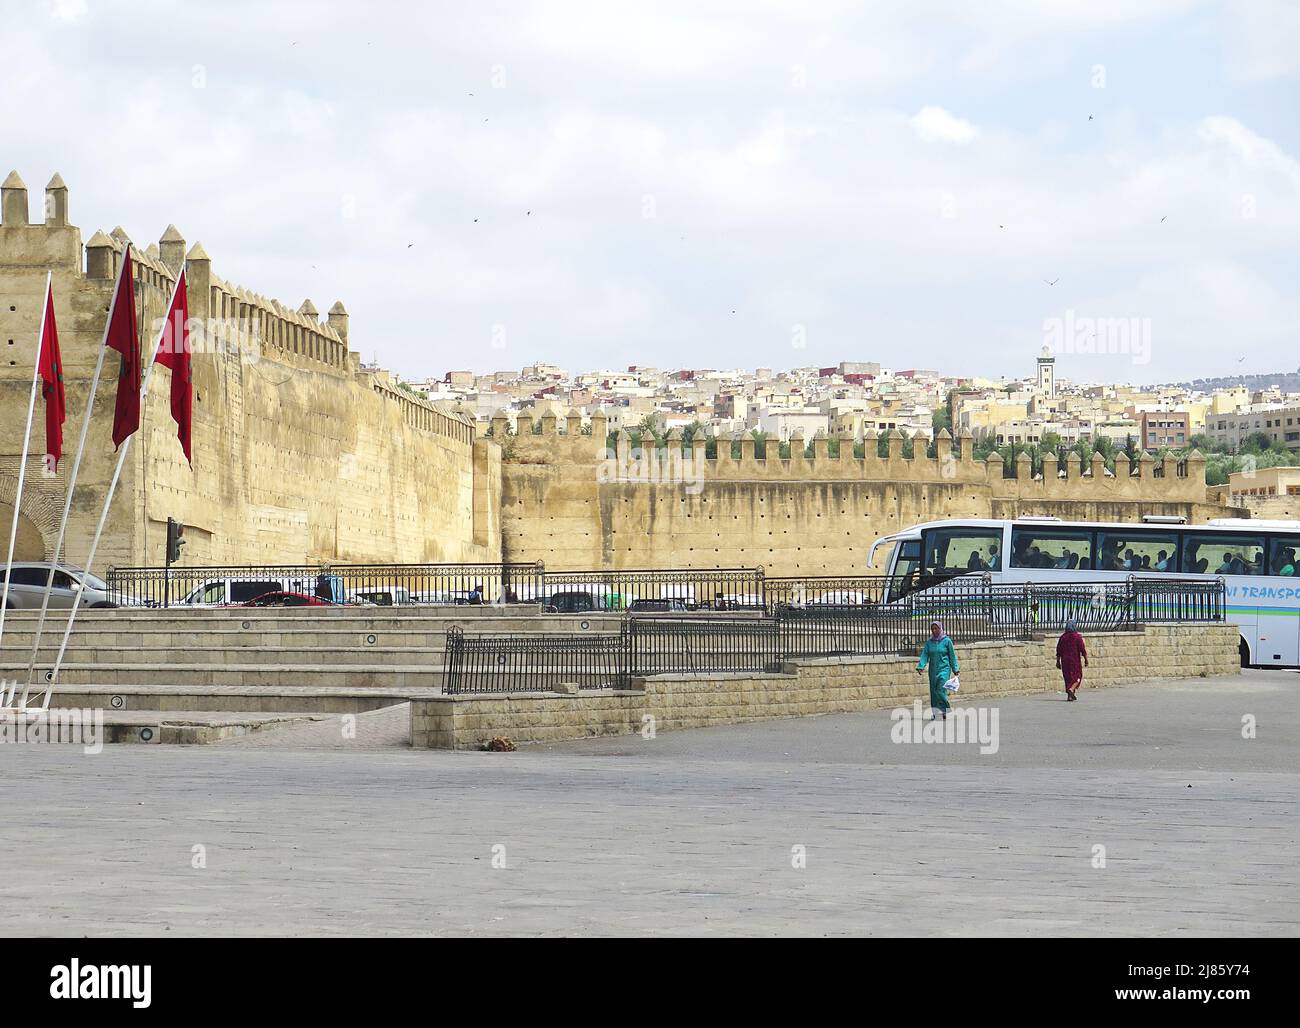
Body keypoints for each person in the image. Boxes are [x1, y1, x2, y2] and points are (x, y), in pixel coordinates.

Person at [917, 621, 958, 720]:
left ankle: (946, 710)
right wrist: (921, 666)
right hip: (933, 670)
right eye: (933, 629)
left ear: (940, 629)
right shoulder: (929, 643)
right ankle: (935, 712)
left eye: (936, 628)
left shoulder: (947, 641)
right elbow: (925, 655)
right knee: (934, 691)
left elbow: (952, 656)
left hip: (944, 669)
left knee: (940, 690)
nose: (934, 631)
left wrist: (955, 669)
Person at [1056, 619, 1089, 701]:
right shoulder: (1077, 637)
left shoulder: (1063, 637)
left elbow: (1058, 650)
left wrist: (1058, 661)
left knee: (1068, 678)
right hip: (1074, 660)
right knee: (1077, 677)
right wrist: (1086, 659)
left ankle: (1070, 696)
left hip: (1064, 661)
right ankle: (1071, 689)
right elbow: (1082, 649)